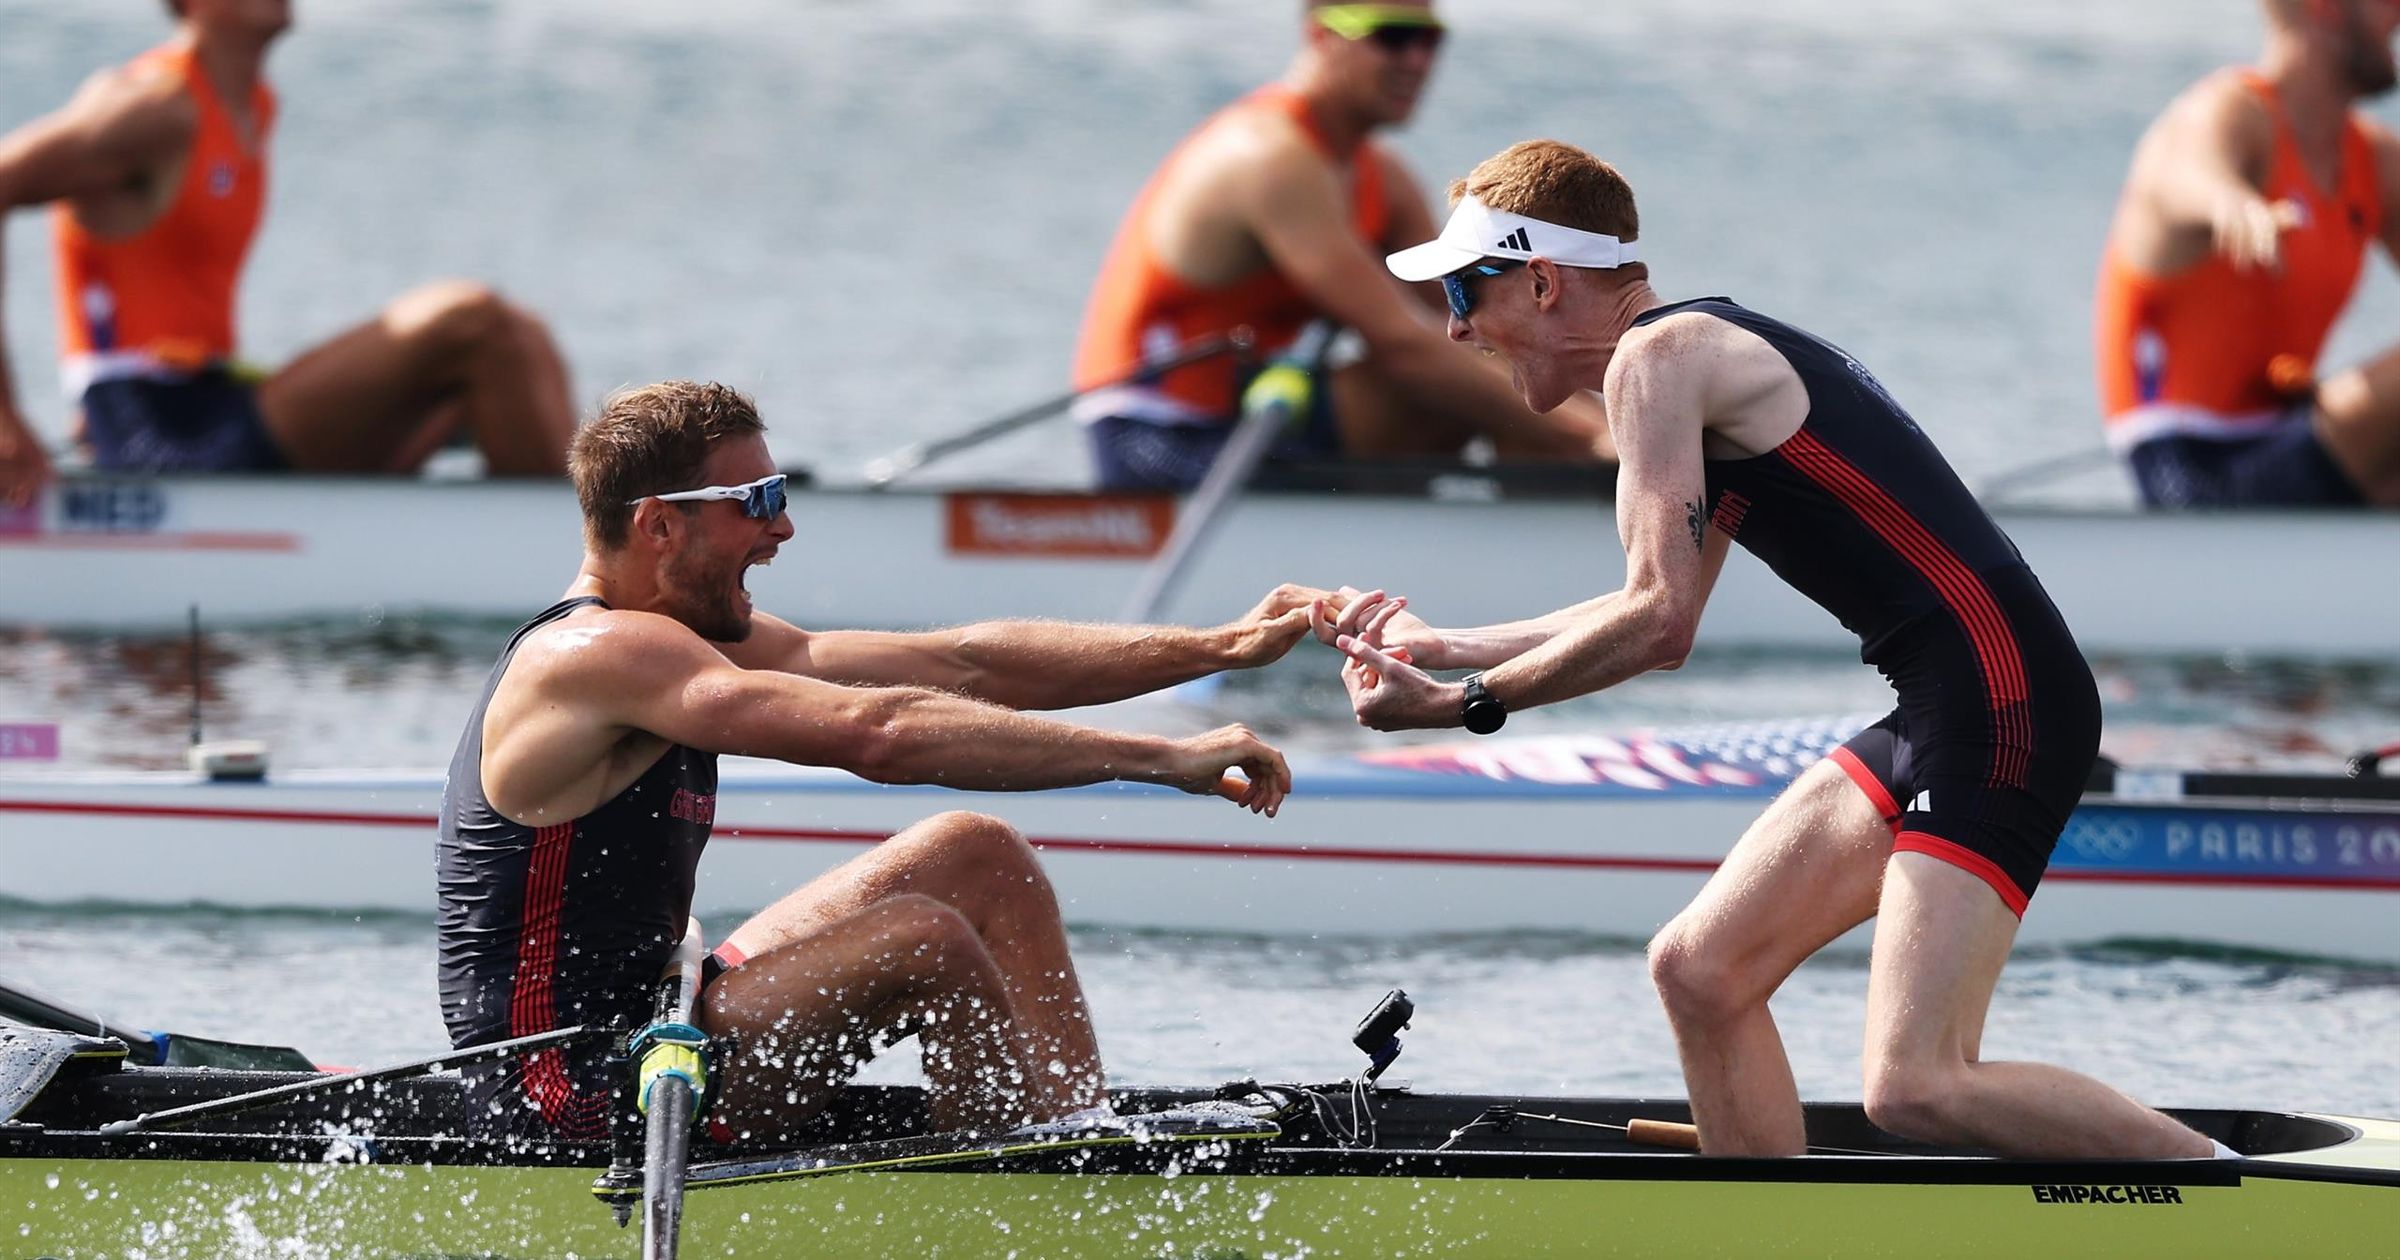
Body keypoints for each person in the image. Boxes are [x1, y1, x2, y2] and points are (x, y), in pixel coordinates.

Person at [1320, 140, 2230, 1160]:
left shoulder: (1658, 362)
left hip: (2000, 701)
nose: (1454, 327)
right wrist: (1441, 645)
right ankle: (1766, 1221)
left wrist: (1461, 705)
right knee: (1700, 972)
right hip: (1950, 700)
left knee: (1916, 1084)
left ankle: (2244, 1194)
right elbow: (1646, 606)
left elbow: (1657, 624)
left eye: (1463, 291)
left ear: (1540, 281)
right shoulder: (1689, 357)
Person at [439, 380, 1316, 1145]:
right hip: (564, 1090)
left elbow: (962, 667)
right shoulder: (594, 656)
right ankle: (1011, 1205)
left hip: (668, 1014)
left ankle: (1072, 1138)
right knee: (923, 939)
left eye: (779, 491)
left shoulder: (686, 641)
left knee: (978, 855)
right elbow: (880, 732)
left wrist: (1222, 646)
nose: (782, 525)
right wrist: (1159, 757)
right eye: (755, 499)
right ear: (659, 524)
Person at [0, 0, 575, 507]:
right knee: (473, 323)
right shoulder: (152, 104)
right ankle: (584, 552)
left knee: (521, 340)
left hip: (212, 398)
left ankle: (561, 545)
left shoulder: (251, 106)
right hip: (159, 429)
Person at [1069, 0, 1614, 492]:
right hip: (1156, 431)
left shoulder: (1382, 178)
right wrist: (1590, 437)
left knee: (1500, 354)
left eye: (1430, 40)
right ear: (1321, 35)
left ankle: (1584, 523)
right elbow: (1403, 345)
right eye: (1393, 36)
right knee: (1452, 390)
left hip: (1255, 413)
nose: (1417, 61)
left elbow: (1482, 324)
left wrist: (1620, 415)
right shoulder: (1268, 157)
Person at [2095, 0, 2400, 507]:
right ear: (2323, 8)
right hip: (2191, 467)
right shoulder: (2227, 111)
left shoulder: (2374, 160)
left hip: (2287, 434)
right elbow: (2184, 172)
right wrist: (2235, 206)